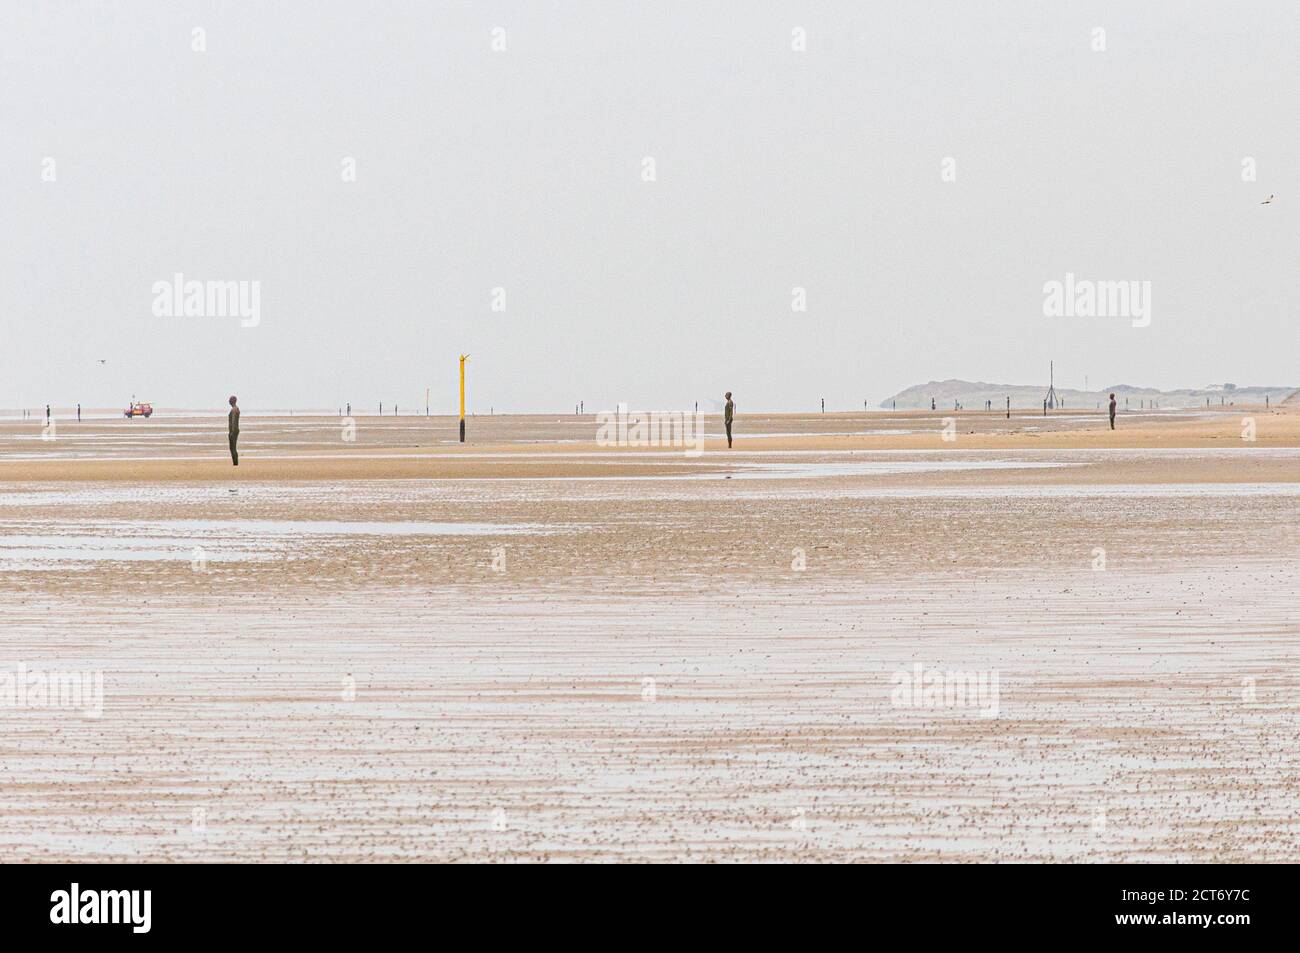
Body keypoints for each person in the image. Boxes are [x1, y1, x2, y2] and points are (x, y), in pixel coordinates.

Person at [228, 395, 240, 466]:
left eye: (230, 400)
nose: (228, 401)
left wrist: (232, 432)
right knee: (232, 447)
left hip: (234, 431)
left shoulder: (234, 409)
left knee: (233, 447)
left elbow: (234, 421)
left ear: (233, 401)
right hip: (234, 430)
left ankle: (235, 463)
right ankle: (235, 462)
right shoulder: (235, 409)